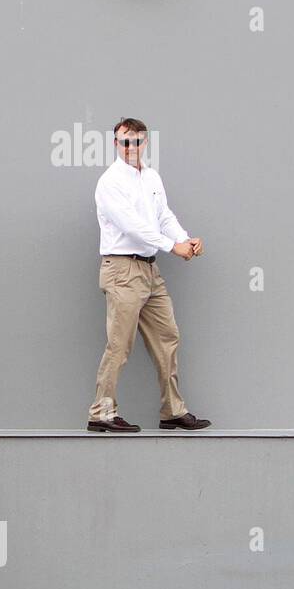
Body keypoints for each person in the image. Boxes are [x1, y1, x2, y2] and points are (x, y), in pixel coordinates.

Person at [87, 118, 210, 432]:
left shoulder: (152, 176)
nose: (131, 147)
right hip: (122, 270)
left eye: (137, 141)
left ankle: (173, 411)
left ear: (145, 142)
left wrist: (184, 239)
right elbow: (133, 227)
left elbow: (162, 215)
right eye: (124, 142)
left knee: (168, 337)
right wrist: (174, 247)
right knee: (119, 344)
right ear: (116, 144)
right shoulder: (110, 182)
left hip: (149, 268)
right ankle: (101, 414)